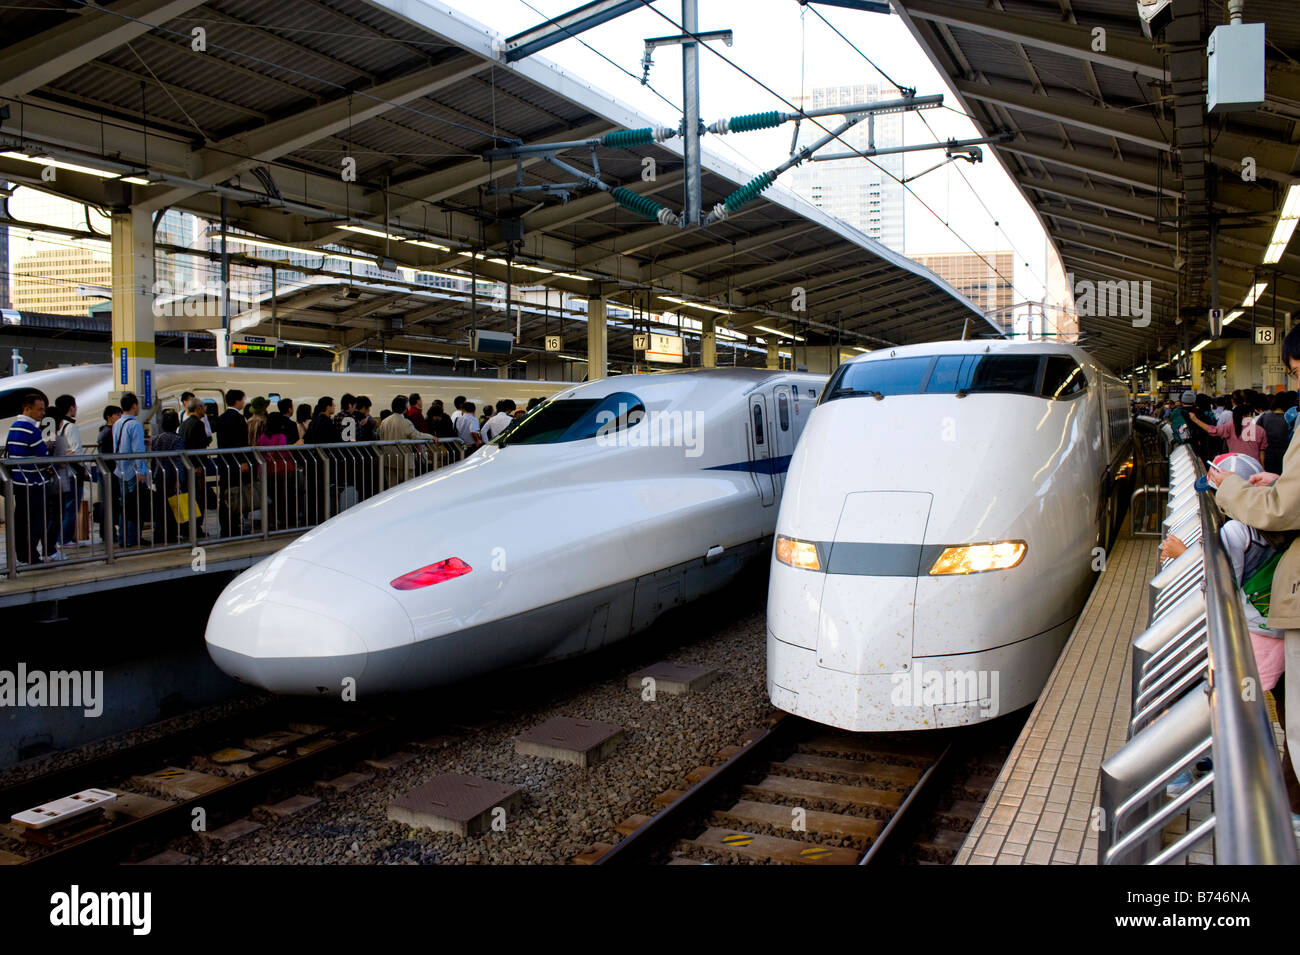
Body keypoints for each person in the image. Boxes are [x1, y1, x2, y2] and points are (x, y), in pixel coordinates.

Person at [1162, 453, 1300, 810]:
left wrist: (1182, 557)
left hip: (1248, 637)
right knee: (1273, 712)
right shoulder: (1285, 531)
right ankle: (1285, 793)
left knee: (1209, 697)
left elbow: (1222, 584)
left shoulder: (1236, 531)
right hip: (1280, 633)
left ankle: (1183, 772)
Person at [1209, 324, 1300, 820]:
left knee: (1282, 706)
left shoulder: (1237, 534)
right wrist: (1281, 482)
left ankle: (1279, 812)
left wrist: (1236, 493)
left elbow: (1284, 511)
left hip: (1279, 619)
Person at [5, 392, 55, 563]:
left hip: (19, 481)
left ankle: (22, 555)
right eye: (39, 409)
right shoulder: (31, 430)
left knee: (21, 521)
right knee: (36, 521)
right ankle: (32, 555)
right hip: (33, 483)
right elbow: (43, 457)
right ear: (27, 409)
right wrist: (50, 466)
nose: (42, 413)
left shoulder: (14, 427)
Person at [111, 392, 152, 548]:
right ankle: (133, 538)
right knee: (135, 506)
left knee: (125, 506)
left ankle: (123, 538)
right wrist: (141, 471)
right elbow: (138, 450)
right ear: (134, 405)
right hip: (132, 472)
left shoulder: (117, 423)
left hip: (119, 469)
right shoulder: (134, 425)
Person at [52, 394, 86, 551]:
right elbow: (76, 451)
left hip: (61, 472)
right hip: (72, 473)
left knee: (63, 507)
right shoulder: (70, 427)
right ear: (71, 407)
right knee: (71, 506)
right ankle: (64, 538)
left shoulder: (57, 425)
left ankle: (62, 537)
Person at [1187, 399, 1266, 464]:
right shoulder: (1260, 430)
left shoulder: (1230, 427)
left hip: (1235, 464)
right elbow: (1262, 453)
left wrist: (1195, 420)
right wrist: (1262, 469)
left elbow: (1212, 430)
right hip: (1254, 465)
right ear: (1248, 415)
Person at [215, 389, 249, 538]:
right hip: (236, 463)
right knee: (236, 495)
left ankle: (225, 527)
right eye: (243, 399)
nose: (244, 402)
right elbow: (242, 442)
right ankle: (235, 527)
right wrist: (243, 461)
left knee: (225, 495)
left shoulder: (220, 418)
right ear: (237, 401)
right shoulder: (239, 419)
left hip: (224, 463)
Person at [150, 409, 186, 543]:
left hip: (159, 475)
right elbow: (179, 461)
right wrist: (179, 479)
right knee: (172, 506)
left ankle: (159, 533)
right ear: (176, 424)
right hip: (171, 476)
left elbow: (153, 460)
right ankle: (171, 534)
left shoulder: (157, 439)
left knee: (160, 506)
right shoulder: (178, 439)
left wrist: (153, 475)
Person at [303, 397, 338, 523]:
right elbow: (333, 440)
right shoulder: (326, 422)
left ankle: (312, 517)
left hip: (313, 460)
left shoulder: (314, 421)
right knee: (322, 491)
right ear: (327, 407)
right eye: (333, 405)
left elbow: (306, 439)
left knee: (313, 491)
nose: (334, 407)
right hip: (323, 461)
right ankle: (321, 518)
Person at [379, 395, 424, 487]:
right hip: (405, 460)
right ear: (404, 409)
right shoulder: (405, 422)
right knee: (408, 488)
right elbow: (417, 435)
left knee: (392, 490)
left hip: (389, 460)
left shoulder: (384, 422)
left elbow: (381, 437)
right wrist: (432, 437)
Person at [96, 405, 122, 547]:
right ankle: (108, 533)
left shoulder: (104, 431)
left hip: (105, 471)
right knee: (109, 503)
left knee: (107, 502)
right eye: (117, 415)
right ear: (109, 416)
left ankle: (106, 532)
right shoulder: (109, 432)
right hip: (110, 471)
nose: (119, 417)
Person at [1257, 393, 1291, 475]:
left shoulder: (1264, 417)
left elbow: (1257, 435)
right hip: (1285, 453)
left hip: (1267, 453)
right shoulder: (1290, 419)